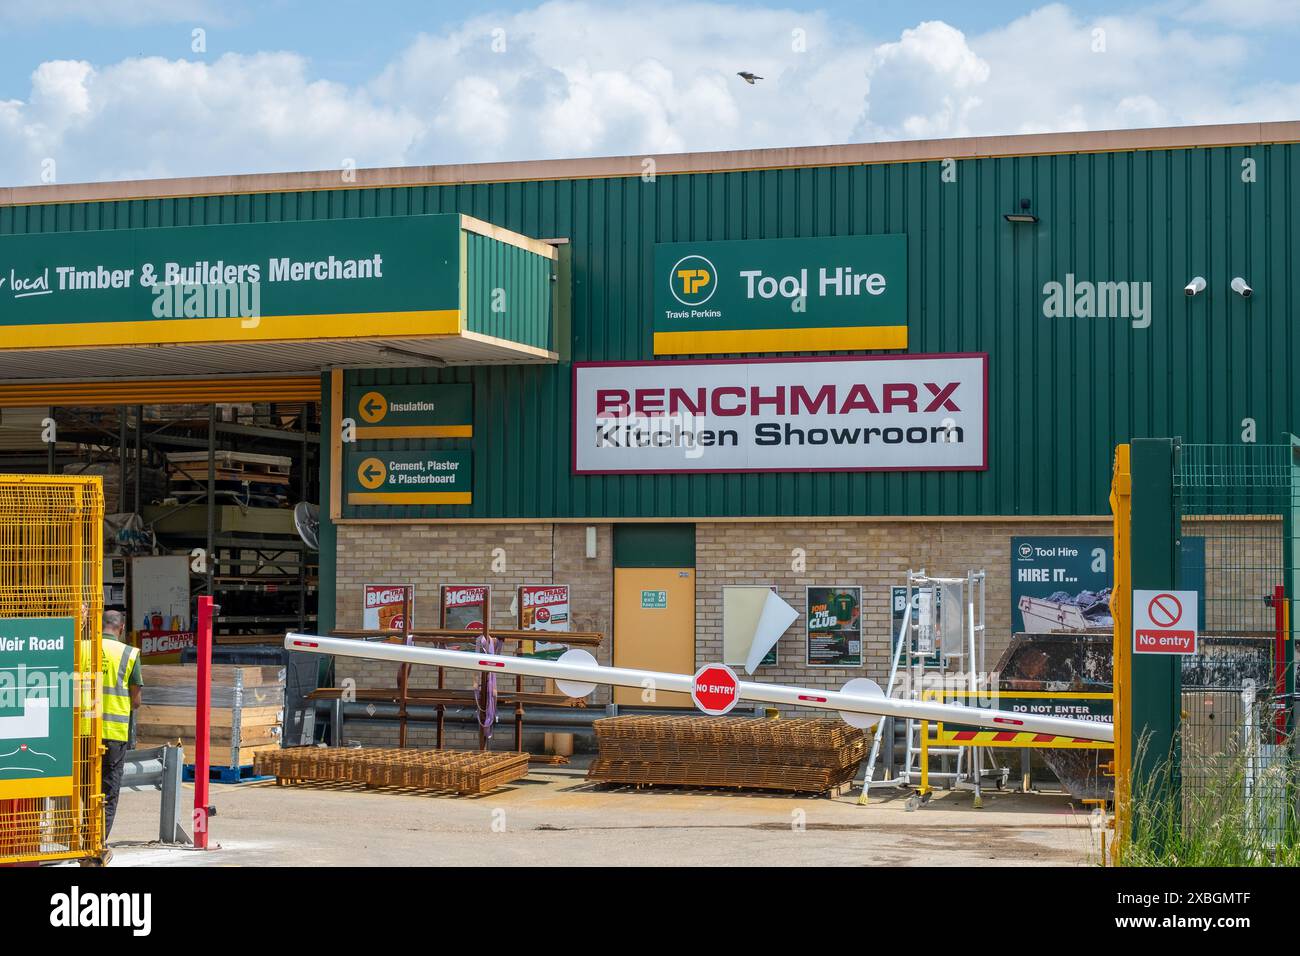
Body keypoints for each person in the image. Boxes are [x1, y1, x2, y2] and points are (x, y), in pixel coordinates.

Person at [98, 609, 141, 848]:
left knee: (83, 788)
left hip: (83, 732)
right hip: (113, 734)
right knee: (109, 789)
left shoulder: (84, 648)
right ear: (122, 628)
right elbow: (136, 700)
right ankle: (97, 842)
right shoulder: (129, 654)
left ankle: (80, 838)